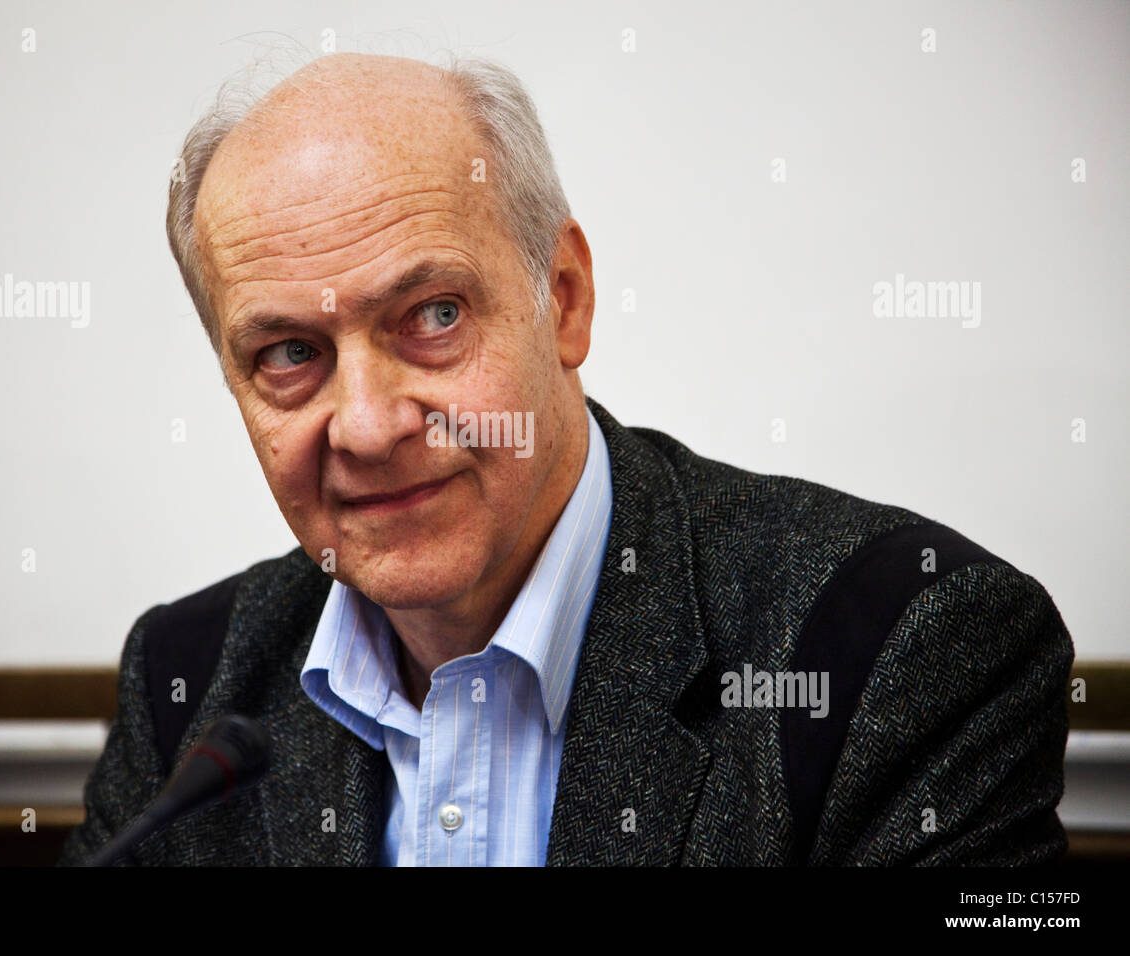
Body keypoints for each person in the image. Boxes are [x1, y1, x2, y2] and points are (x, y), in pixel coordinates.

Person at [59, 52, 1072, 866]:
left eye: (433, 315)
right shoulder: (185, 681)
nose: (366, 425)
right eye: (288, 353)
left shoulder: (897, 647)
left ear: (566, 298)